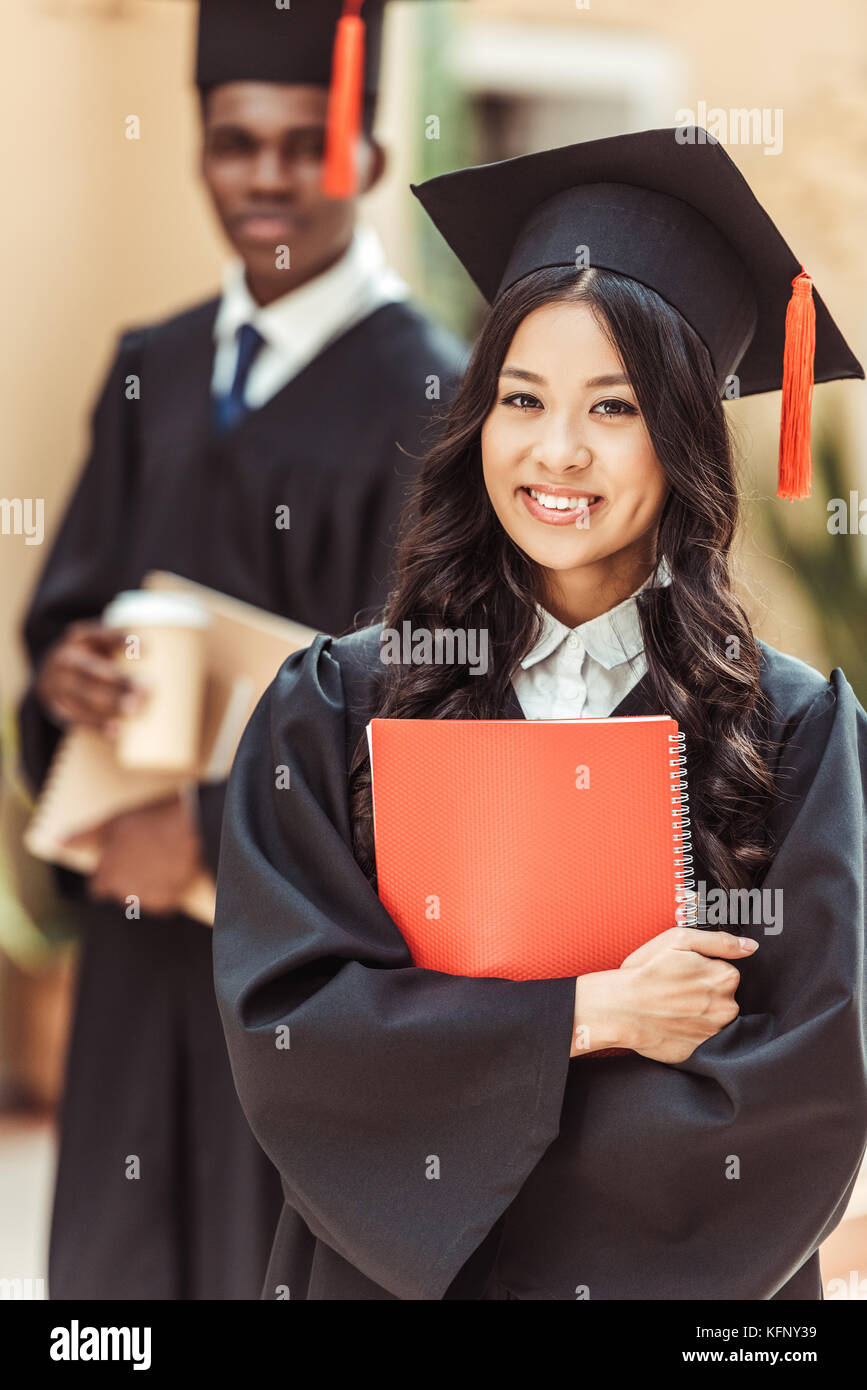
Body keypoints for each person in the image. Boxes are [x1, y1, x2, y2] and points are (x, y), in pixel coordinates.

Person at [212, 128, 867, 1300]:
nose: (556, 451)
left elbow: (806, 1086)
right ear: (478, 419)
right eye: (523, 398)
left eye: (614, 408)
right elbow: (294, 1029)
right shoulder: (341, 701)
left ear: (683, 439)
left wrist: (472, 1077)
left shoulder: (797, 731)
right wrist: (584, 1015)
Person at [17, 0, 464, 1300]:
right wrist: (63, 678)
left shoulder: (432, 399)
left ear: (365, 158)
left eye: (300, 142)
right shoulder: (151, 366)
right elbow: (67, 605)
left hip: (294, 970)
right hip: (128, 940)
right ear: (200, 152)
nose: (264, 174)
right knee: (110, 1289)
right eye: (232, 141)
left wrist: (213, 835)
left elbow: (425, 701)